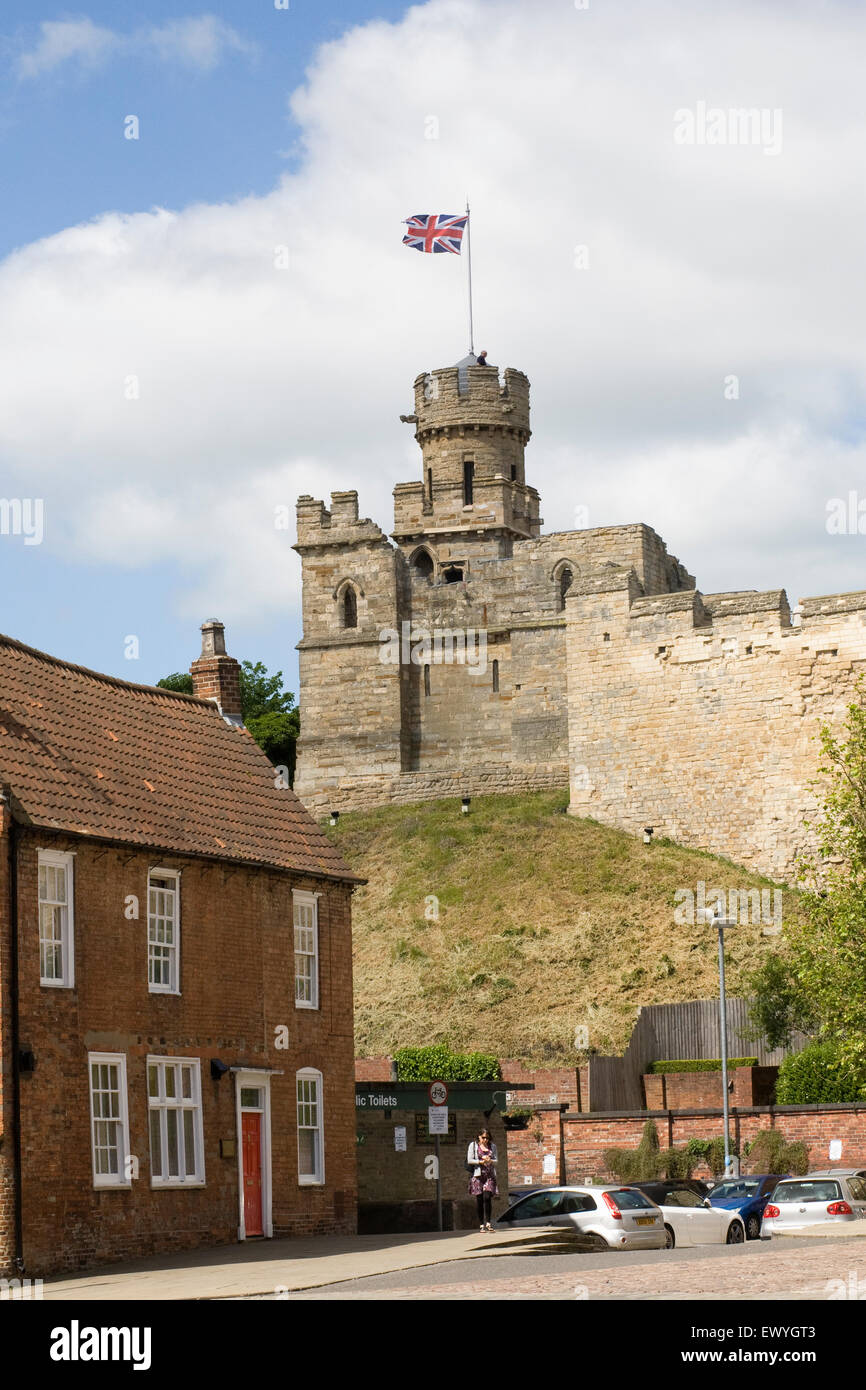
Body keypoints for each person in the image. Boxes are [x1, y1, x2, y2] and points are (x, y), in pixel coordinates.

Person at [467, 1127, 498, 1231]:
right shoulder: (473, 1145)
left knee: (487, 1197)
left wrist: (490, 1160)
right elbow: (469, 1160)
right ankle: (481, 1224)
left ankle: (488, 1222)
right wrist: (480, 1161)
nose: (485, 1140)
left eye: (487, 1138)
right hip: (478, 1176)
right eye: (483, 1137)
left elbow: (496, 1160)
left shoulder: (492, 1146)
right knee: (479, 1200)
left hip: (489, 1175)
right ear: (479, 1137)